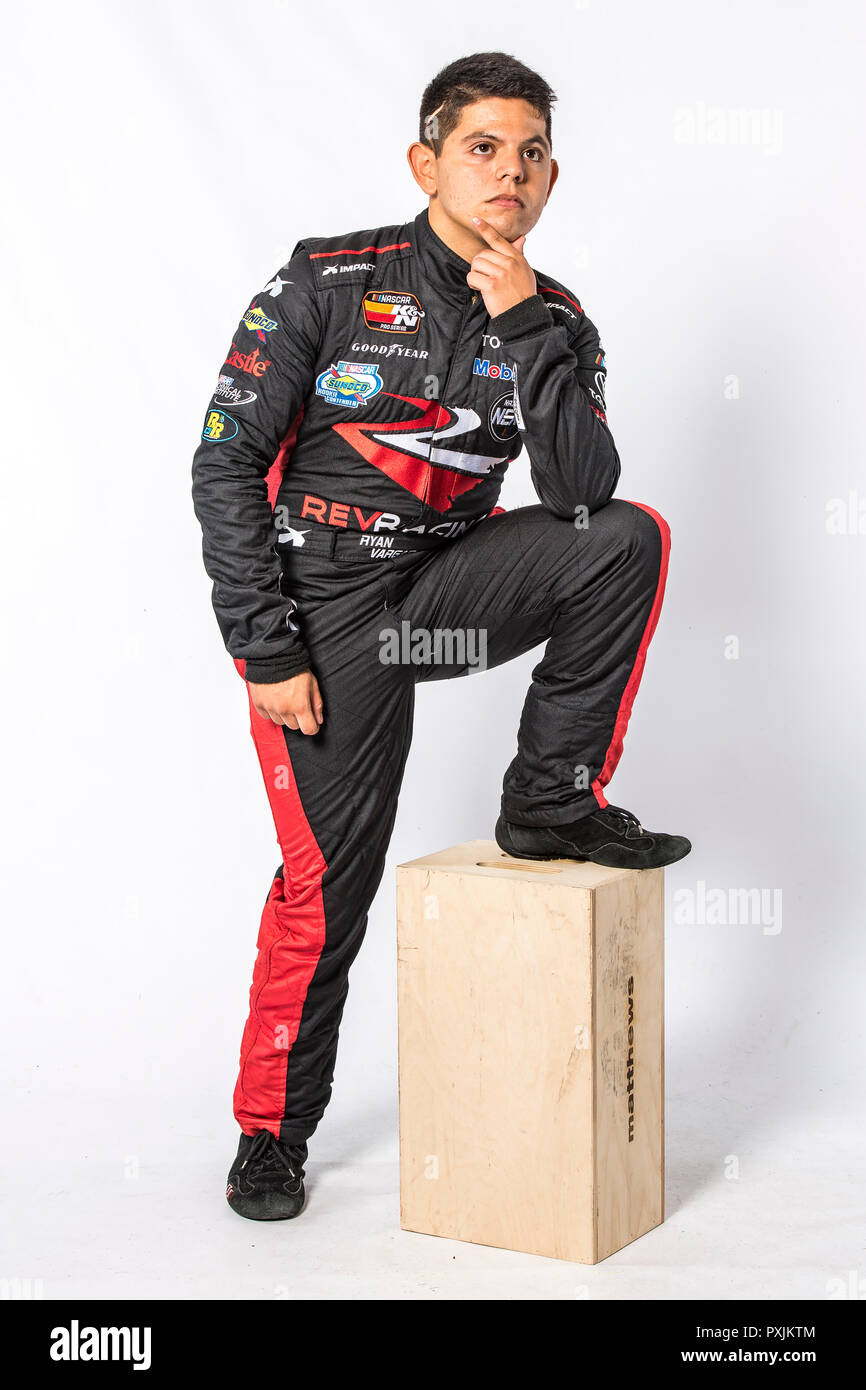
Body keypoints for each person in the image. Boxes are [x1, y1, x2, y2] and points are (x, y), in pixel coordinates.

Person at [191, 50, 691, 1223]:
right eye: (481, 148)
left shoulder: (558, 317)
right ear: (426, 164)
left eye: (530, 154)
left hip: (438, 606)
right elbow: (222, 464)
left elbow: (577, 494)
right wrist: (265, 647)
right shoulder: (327, 279)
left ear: (551, 179)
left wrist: (523, 325)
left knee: (626, 536)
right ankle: (271, 1134)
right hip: (324, 617)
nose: (507, 171)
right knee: (330, 883)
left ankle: (549, 802)